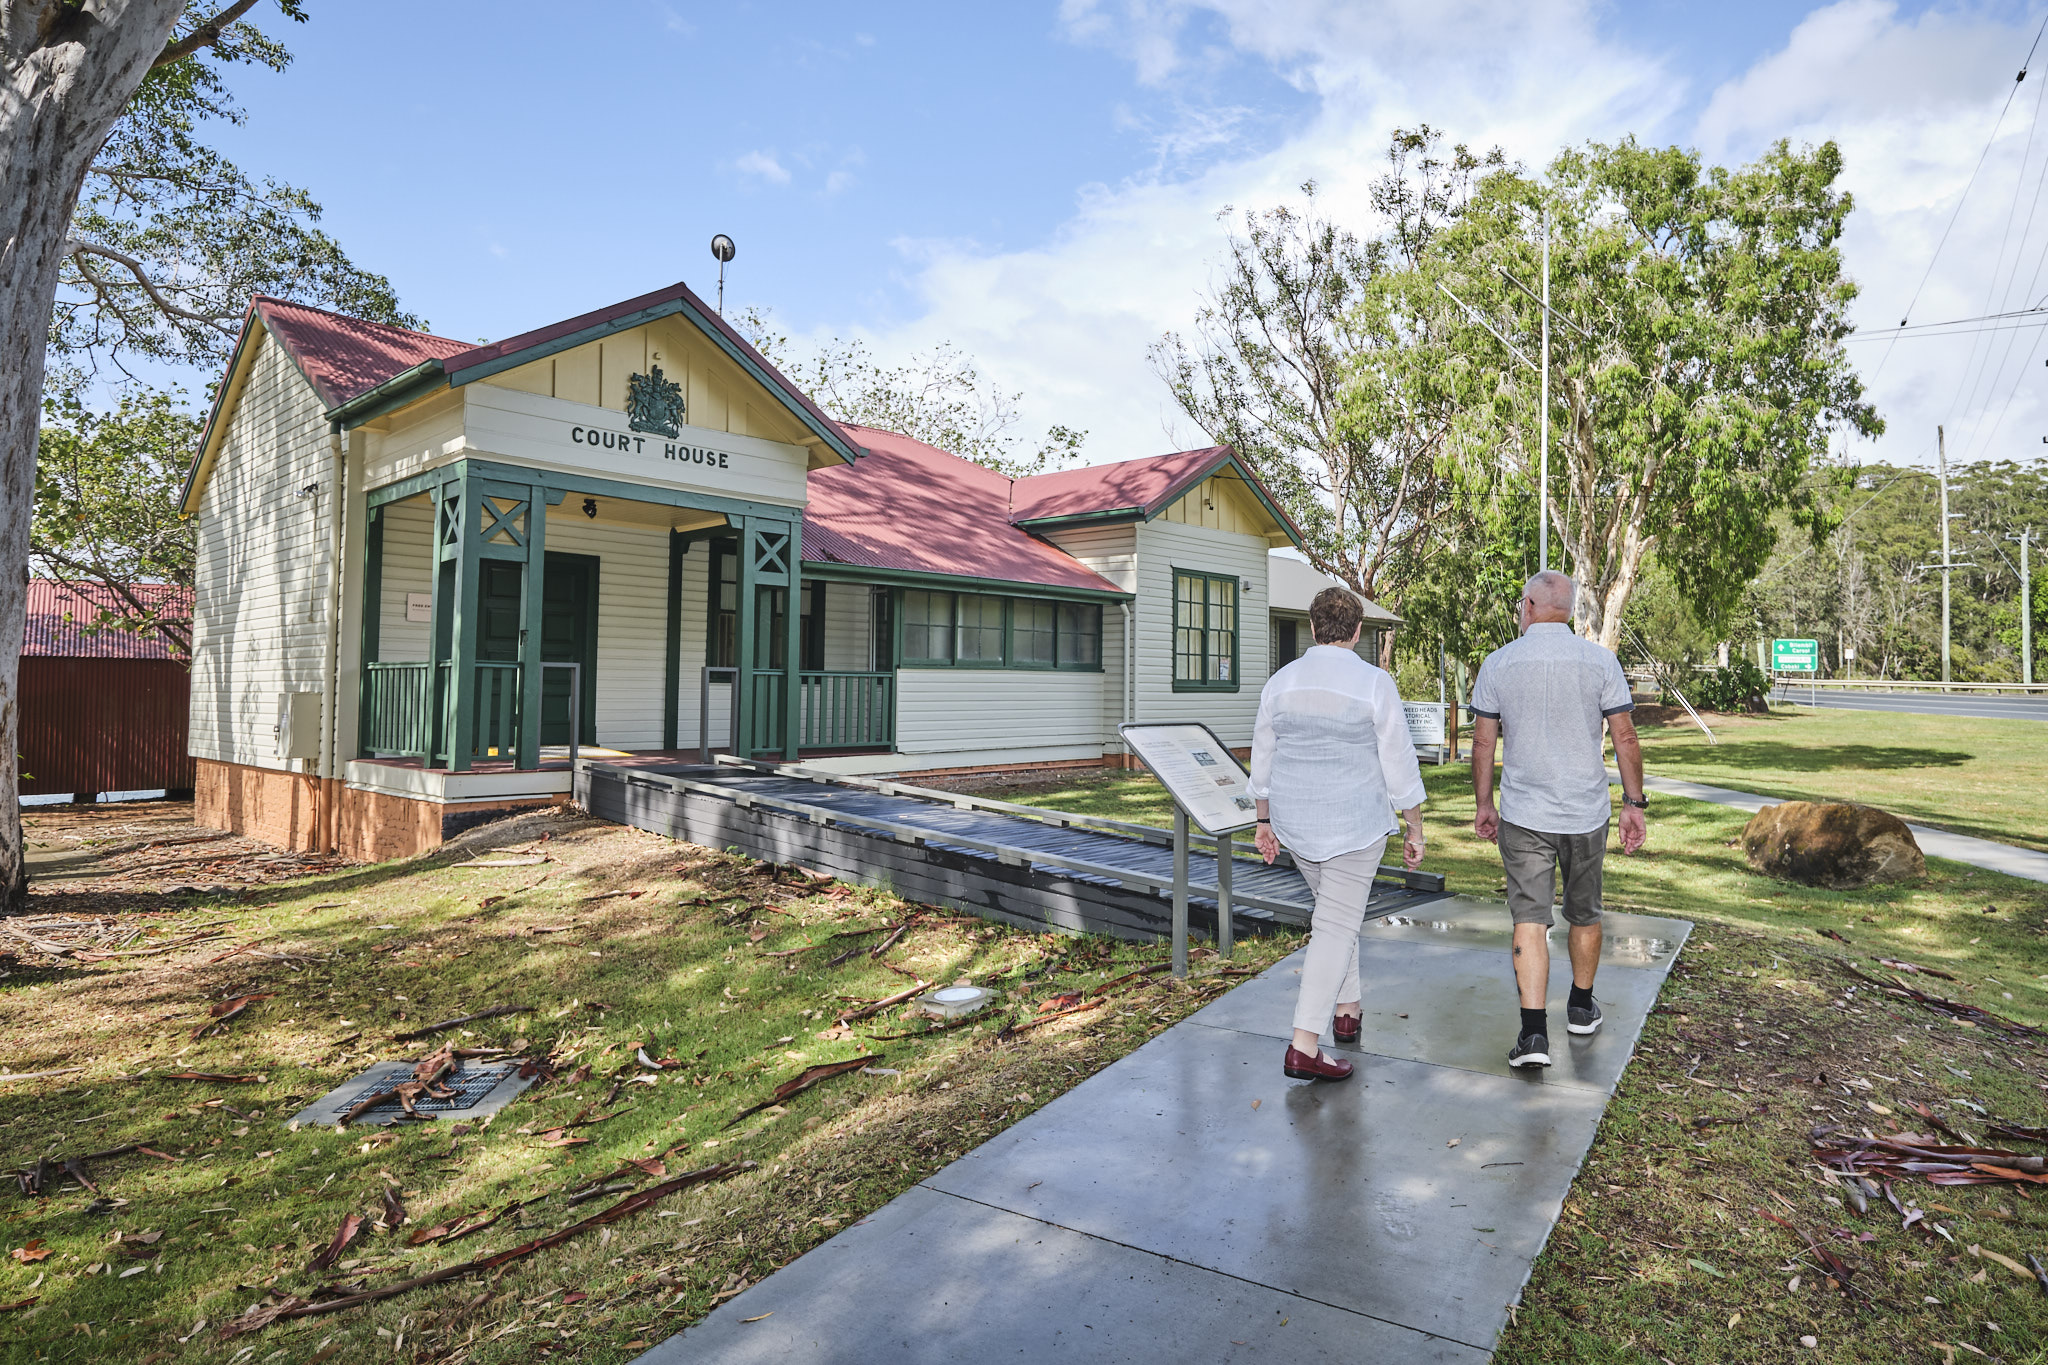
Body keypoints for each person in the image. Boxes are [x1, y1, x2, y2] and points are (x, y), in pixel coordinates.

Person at [1469, 570, 1647, 1069]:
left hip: (1524, 814)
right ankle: (1580, 1007)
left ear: (1528, 605)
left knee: (1529, 918)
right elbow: (1626, 738)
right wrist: (1634, 804)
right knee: (1584, 911)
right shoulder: (1600, 661)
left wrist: (1484, 806)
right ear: (1567, 609)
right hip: (1585, 811)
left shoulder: (1498, 664)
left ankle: (1532, 1037)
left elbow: (1484, 743)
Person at [1250, 586, 1426, 1082]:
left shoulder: (1279, 683)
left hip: (1295, 823)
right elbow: (1399, 762)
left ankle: (1347, 1010)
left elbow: (1261, 759)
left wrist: (1263, 821)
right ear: (1355, 631)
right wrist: (1414, 826)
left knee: (1335, 917)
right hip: (1356, 825)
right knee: (1334, 925)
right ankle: (1304, 1045)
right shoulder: (1374, 683)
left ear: (1311, 627)